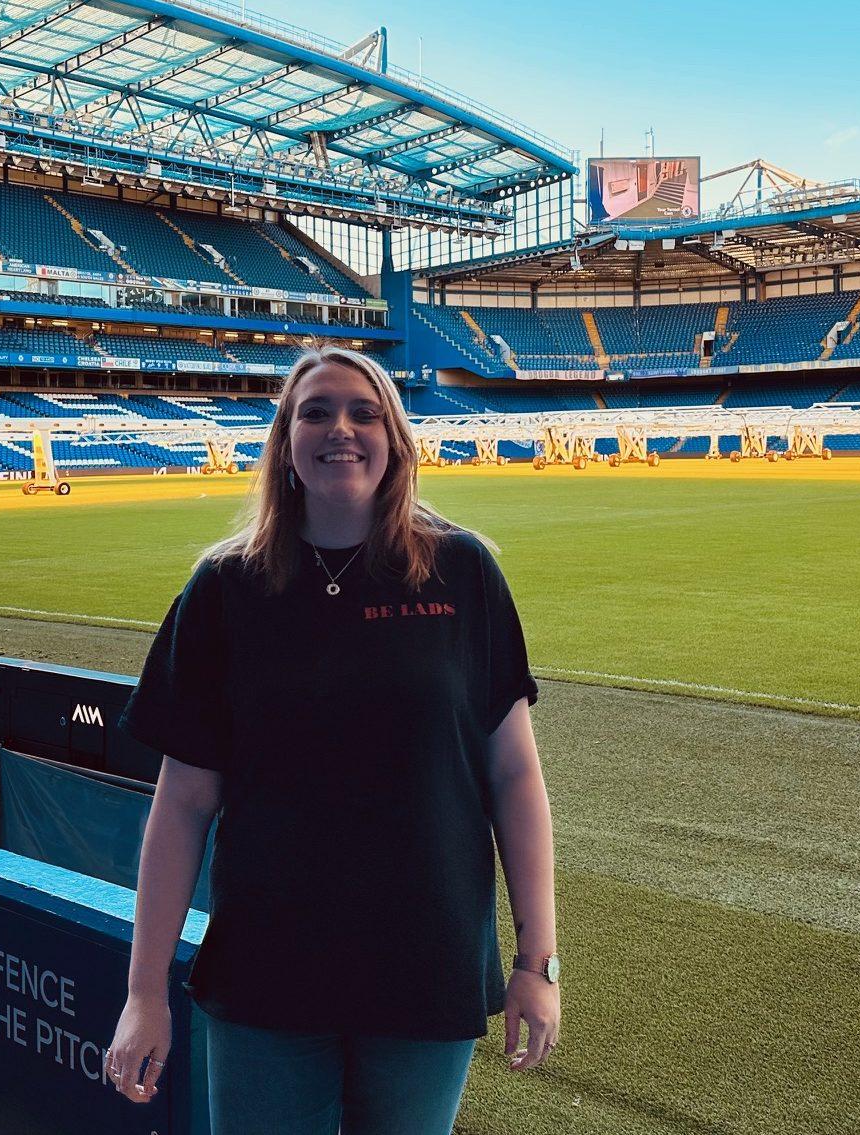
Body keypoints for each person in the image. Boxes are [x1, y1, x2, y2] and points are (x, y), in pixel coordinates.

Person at [106, 344, 560, 1135]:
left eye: (363, 411)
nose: (339, 428)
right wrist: (145, 993)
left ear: (396, 439)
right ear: (284, 441)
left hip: (425, 963)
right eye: (314, 411)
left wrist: (537, 960)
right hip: (266, 972)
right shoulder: (223, 588)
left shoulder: (463, 573)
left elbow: (515, 776)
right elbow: (182, 803)